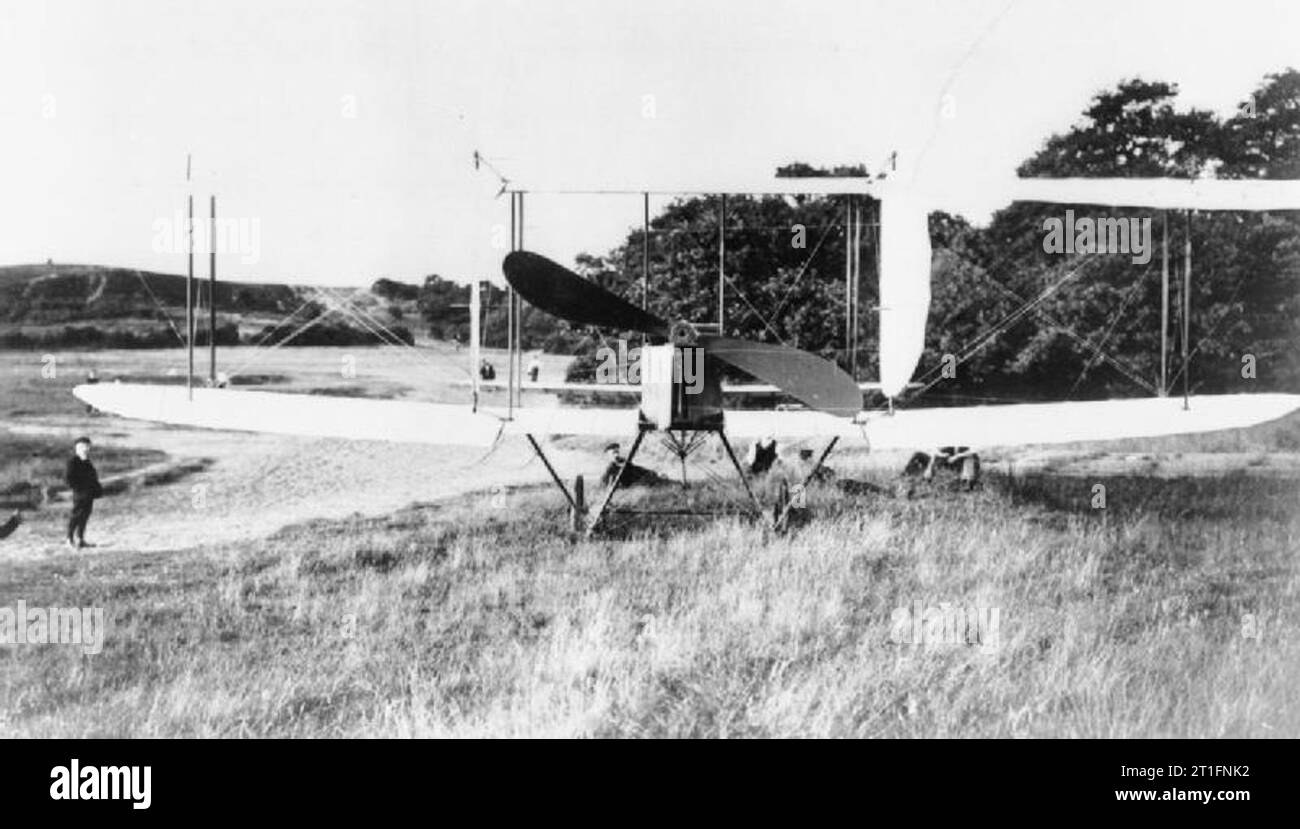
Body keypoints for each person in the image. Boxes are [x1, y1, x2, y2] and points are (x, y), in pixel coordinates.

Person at [64, 437, 103, 549]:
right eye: (83, 446)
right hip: (80, 494)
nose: (86, 449)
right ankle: (69, 539)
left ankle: (80, 539)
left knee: (85, 516)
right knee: (76, 516)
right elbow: (69, 479)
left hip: (89, 494)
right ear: (77, 448)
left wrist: (97, 489)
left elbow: (93, 477)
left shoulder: (87, 461)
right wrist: (79, 489)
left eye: (88, 446)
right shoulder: (72, 461)